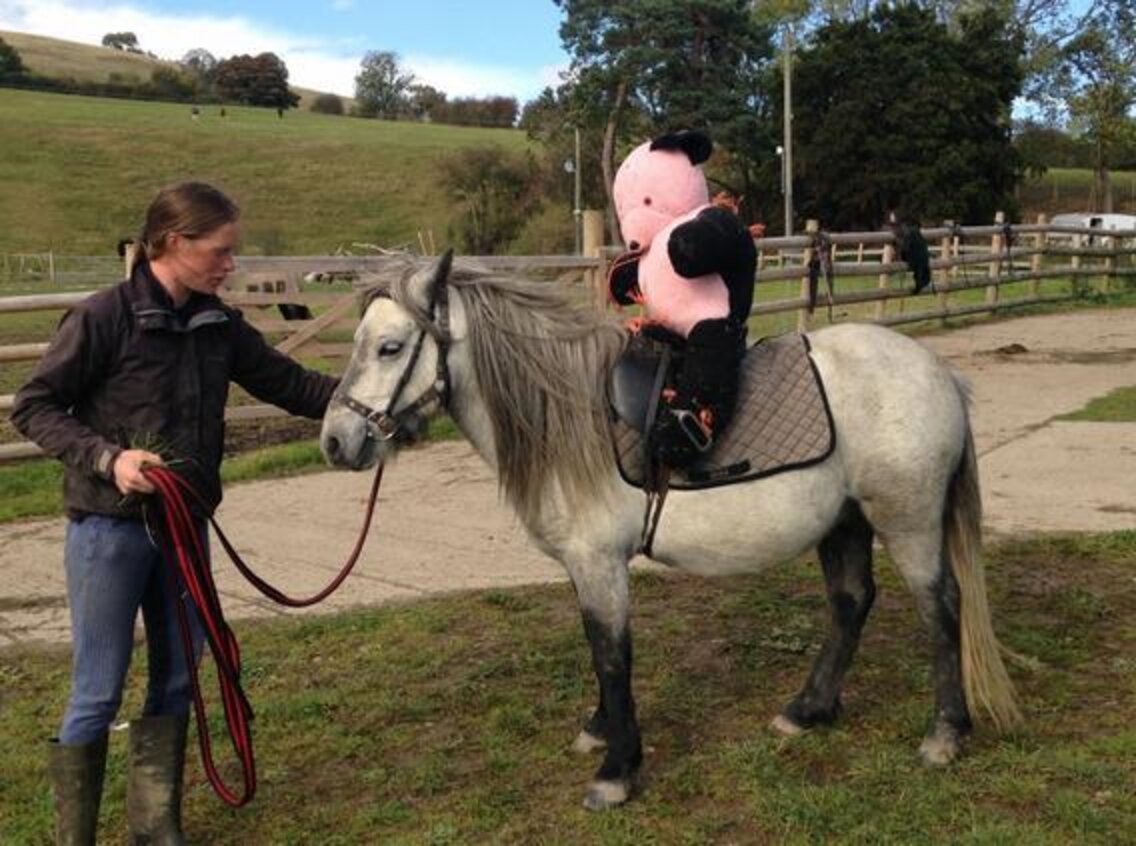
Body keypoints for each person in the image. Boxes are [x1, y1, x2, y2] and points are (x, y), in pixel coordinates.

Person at [10, 181, 339, 844]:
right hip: (110, 531)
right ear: (170, 243)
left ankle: (154, 827)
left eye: (232, 253)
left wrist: (373, 397)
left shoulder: (218, 324)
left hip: (185, 532)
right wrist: (109, 459)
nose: (229, 265)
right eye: (219, 252)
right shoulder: (103, 317)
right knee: (97, 694)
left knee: (179, 680)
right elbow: (34, 407)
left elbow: (291, 385)